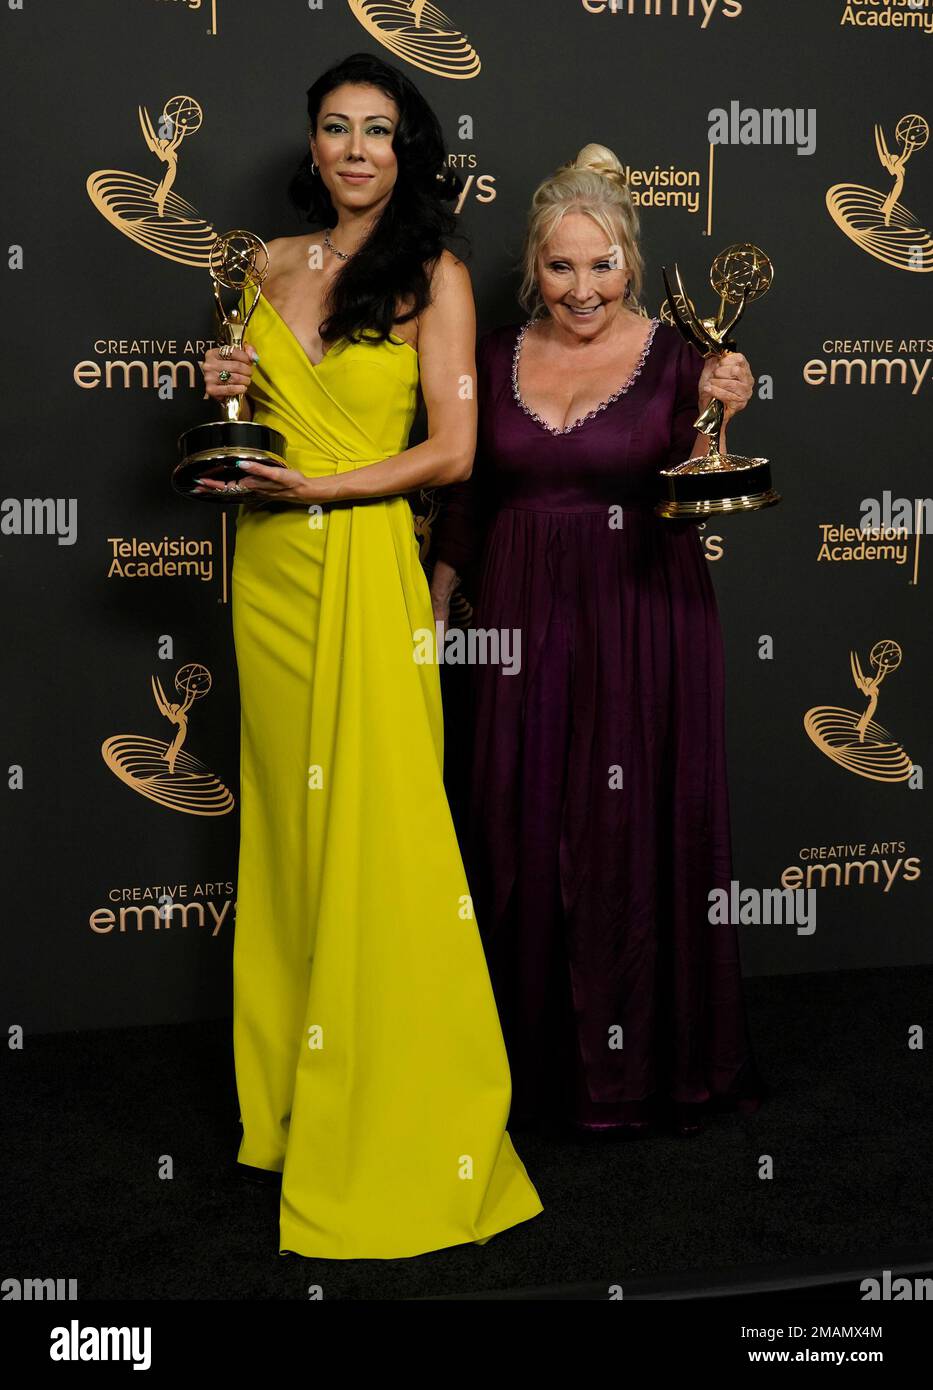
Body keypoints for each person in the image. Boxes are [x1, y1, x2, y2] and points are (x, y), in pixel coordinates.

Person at [197, 53, 542, 1259]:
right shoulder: (263, 265)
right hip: (272, 579)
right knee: (293, 842)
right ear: (312, 146)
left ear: (409, 150)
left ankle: (402, 1114)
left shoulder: (433, 277)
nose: (355, 150)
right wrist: (225, 384)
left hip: (360, 562)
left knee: (380, 835)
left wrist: (328, 486)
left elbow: (454, 454)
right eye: (336, 129)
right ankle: (294, 1103)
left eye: (378, 131)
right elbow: (251, 421)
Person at [430, 144, 768, 1138]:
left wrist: (724, 402)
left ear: (633, 259)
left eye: (604, 263)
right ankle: (526, 1077)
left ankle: (650, 1070)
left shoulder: (681, 359)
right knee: (514, 831)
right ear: (532, 267)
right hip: (522, 623)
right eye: (561, 266)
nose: (584, 288)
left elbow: (708, 485)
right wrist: (439, 602)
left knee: (634, 835)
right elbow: (467, 494)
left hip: (643, 619)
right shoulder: (491, 357)